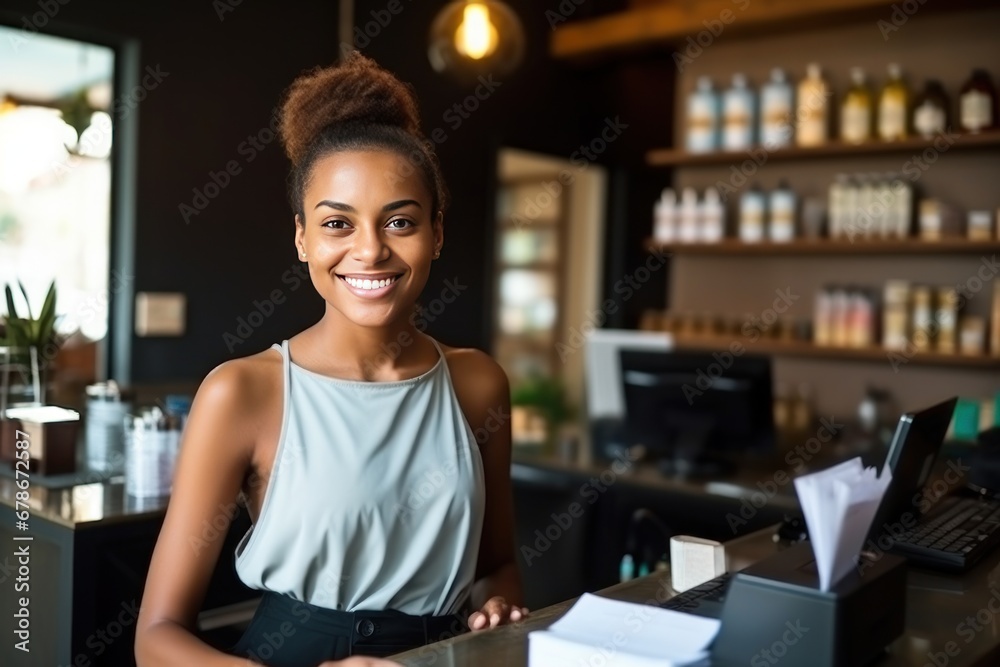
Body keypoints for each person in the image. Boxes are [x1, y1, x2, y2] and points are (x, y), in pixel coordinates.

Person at [135, 52, 526, 667]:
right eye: (338, 224)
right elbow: (156, 640)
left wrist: (498, 606)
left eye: (399, 221)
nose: (369, 251)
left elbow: (496, 565)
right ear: (302, 239)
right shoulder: (241, 393)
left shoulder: (478, 384)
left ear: (437, 233)